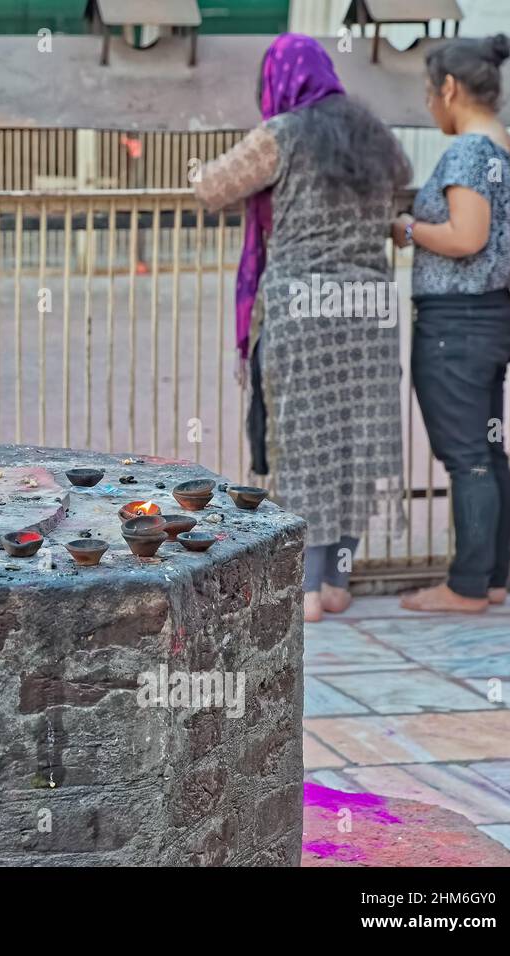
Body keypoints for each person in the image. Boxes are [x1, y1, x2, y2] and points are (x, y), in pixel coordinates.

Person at [195, 33, 411, 623]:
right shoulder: (374, 135)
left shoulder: (281, 134)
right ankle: (338, 581)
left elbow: (211, 186)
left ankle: (306, 588)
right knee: (353, 442)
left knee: (303, 442)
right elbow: (403, 177)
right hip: (367, 310)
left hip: (305, 309)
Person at [392, 35, 510, 614]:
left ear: (450, 88)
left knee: (467, 454)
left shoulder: (468, 152)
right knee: (490, 450)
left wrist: (406, 228)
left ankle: (467, 586)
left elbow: (466, 236)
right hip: (493, 315)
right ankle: (491, 577)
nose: (429, 105)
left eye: (429, 93)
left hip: (454, 323)